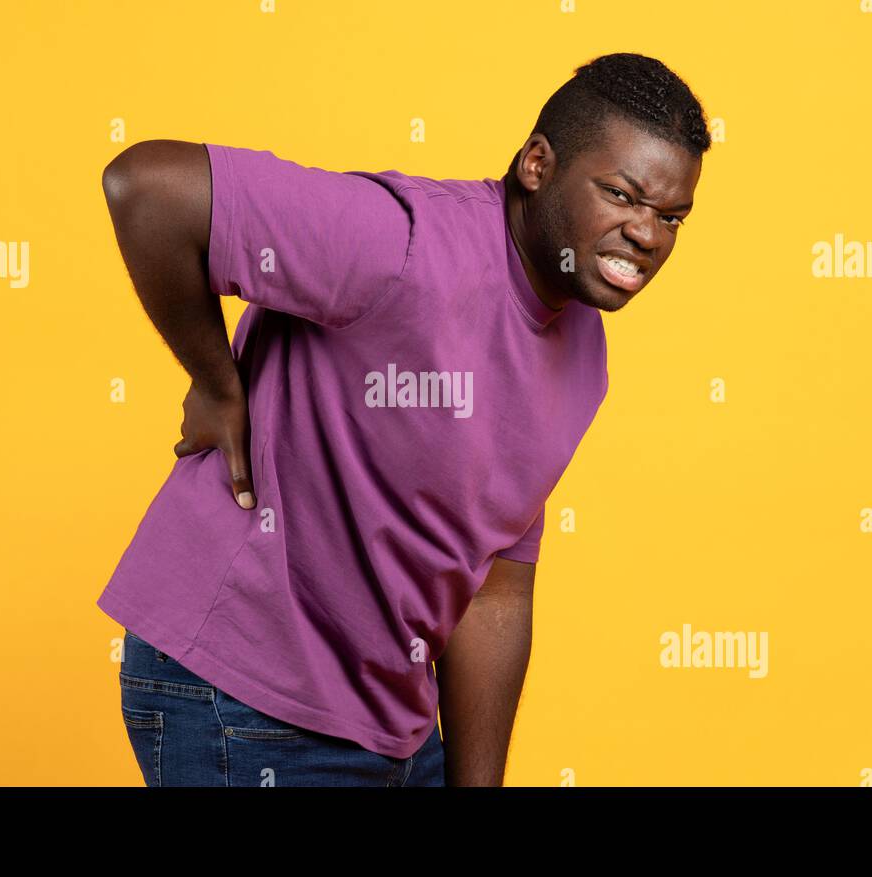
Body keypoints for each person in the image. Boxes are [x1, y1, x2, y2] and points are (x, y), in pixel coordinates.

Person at [96, 52, 709, 787]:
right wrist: (216, 382)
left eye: (671, 216)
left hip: (392, 725)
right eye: (622, 194)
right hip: (244, 693)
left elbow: (493, 589)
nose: (648, 234)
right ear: (538, 164)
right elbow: (148, 190)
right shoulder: (402, 244)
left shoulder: (583, 359)